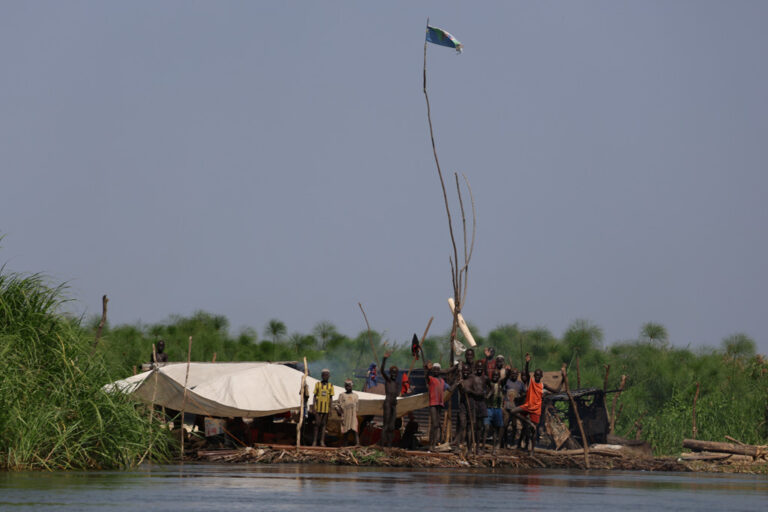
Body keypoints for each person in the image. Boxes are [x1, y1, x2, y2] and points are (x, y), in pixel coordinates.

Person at [508, 353, 562, 451]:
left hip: (536, 410)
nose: (537, 376)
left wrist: (562, 381)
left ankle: (532, 450)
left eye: (538, 375)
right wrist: (527, 363)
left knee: (533, 431)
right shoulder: (531, 382)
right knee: (512, 411)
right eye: (535, 375)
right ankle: (528, 422)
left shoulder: (542, 385)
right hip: (528, 406)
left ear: (541, 376)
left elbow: (556, 391)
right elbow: (527, 373)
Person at [424, 361, 450, 451]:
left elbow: (450, 388)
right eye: (434, 369)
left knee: (437, 425)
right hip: (433, 404)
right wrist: (427, 370)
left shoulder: (442, 381)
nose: (436, 371)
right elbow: (426, 377)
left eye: (437, 370)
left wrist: (457, 382)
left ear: (439, 371)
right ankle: (431, 445)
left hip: (440, 404)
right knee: (434, 424)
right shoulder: (430, 379)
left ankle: (434, 444)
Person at [502, 367, 526, 448]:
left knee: (514, 425)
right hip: (507, 407)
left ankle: (512, 441)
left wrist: (520, 397)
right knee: (505, 425)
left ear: (518, 374)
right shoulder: (507, 382)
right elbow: (503, 392)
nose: (514, 375)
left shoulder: (520, 384)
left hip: (516, 408)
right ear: (510, 374)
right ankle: (505, 441)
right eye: (513, 373)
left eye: (516, 374)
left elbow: (524, 393)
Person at [453, 363, 474, 449]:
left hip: (471, 404)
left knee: (470, 426)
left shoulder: (472, 380)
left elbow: (477, 391)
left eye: (467, 370)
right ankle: (457, 442)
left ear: (469, 371)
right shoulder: (460, 379)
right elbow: (454, 388)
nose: (465, 372)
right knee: (462, 422)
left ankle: (469, 447)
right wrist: (459, 384)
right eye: (464, 370)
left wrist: (469, 391)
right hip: (462, 404)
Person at [380, 352, 399, 447]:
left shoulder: (397, 384)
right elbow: (382, 370)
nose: (394, 374)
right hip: (387, 403)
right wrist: (384, 359)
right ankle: (383, 445)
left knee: (392, 426)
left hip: (394, 404)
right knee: (386, 425)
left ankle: (389, 445)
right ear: (390, 373)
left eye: (395, 372)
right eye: (392, 372)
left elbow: (397, 394)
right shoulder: (388, 380)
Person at [484, 369, 505, 454]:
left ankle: (494, 448)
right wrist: (489, 394)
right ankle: (483, 448)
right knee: (486, 427)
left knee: (496, 429)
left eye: (497, 375)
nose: (495, 377)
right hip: (489, 408)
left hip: (497, 409)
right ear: (491, 376)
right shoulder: (489, 385)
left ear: (499, 377)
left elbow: (506, 378)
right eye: (494, 375)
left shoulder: (500, 384)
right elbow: (485, 396)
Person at [312, 369, 334, 447]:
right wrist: (314, 406)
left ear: (329, 376)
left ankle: (322, 441)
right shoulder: (317, 384)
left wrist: (331, 409)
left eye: (327, 375)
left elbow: (331, 398)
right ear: (321, 376)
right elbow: (314, 396)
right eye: (324, 375)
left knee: (324, 424)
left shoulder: (330, 386)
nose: (325, 376)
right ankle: (314, 441)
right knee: (317, 424)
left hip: (326, 408)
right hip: (318, 407)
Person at [335, 379, 360, 446]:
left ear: (352, 386)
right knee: (345, 430)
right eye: (346, 386)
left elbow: (357, 406)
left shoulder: (355, 395)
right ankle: (345, 444)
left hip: (353, 415)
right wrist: (339, 411)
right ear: (345, 386)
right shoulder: (342, 395)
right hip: (345, 415)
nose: (348, 387)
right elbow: (337, 405)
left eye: (349, 385)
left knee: (354, 429)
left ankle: (357, 443)